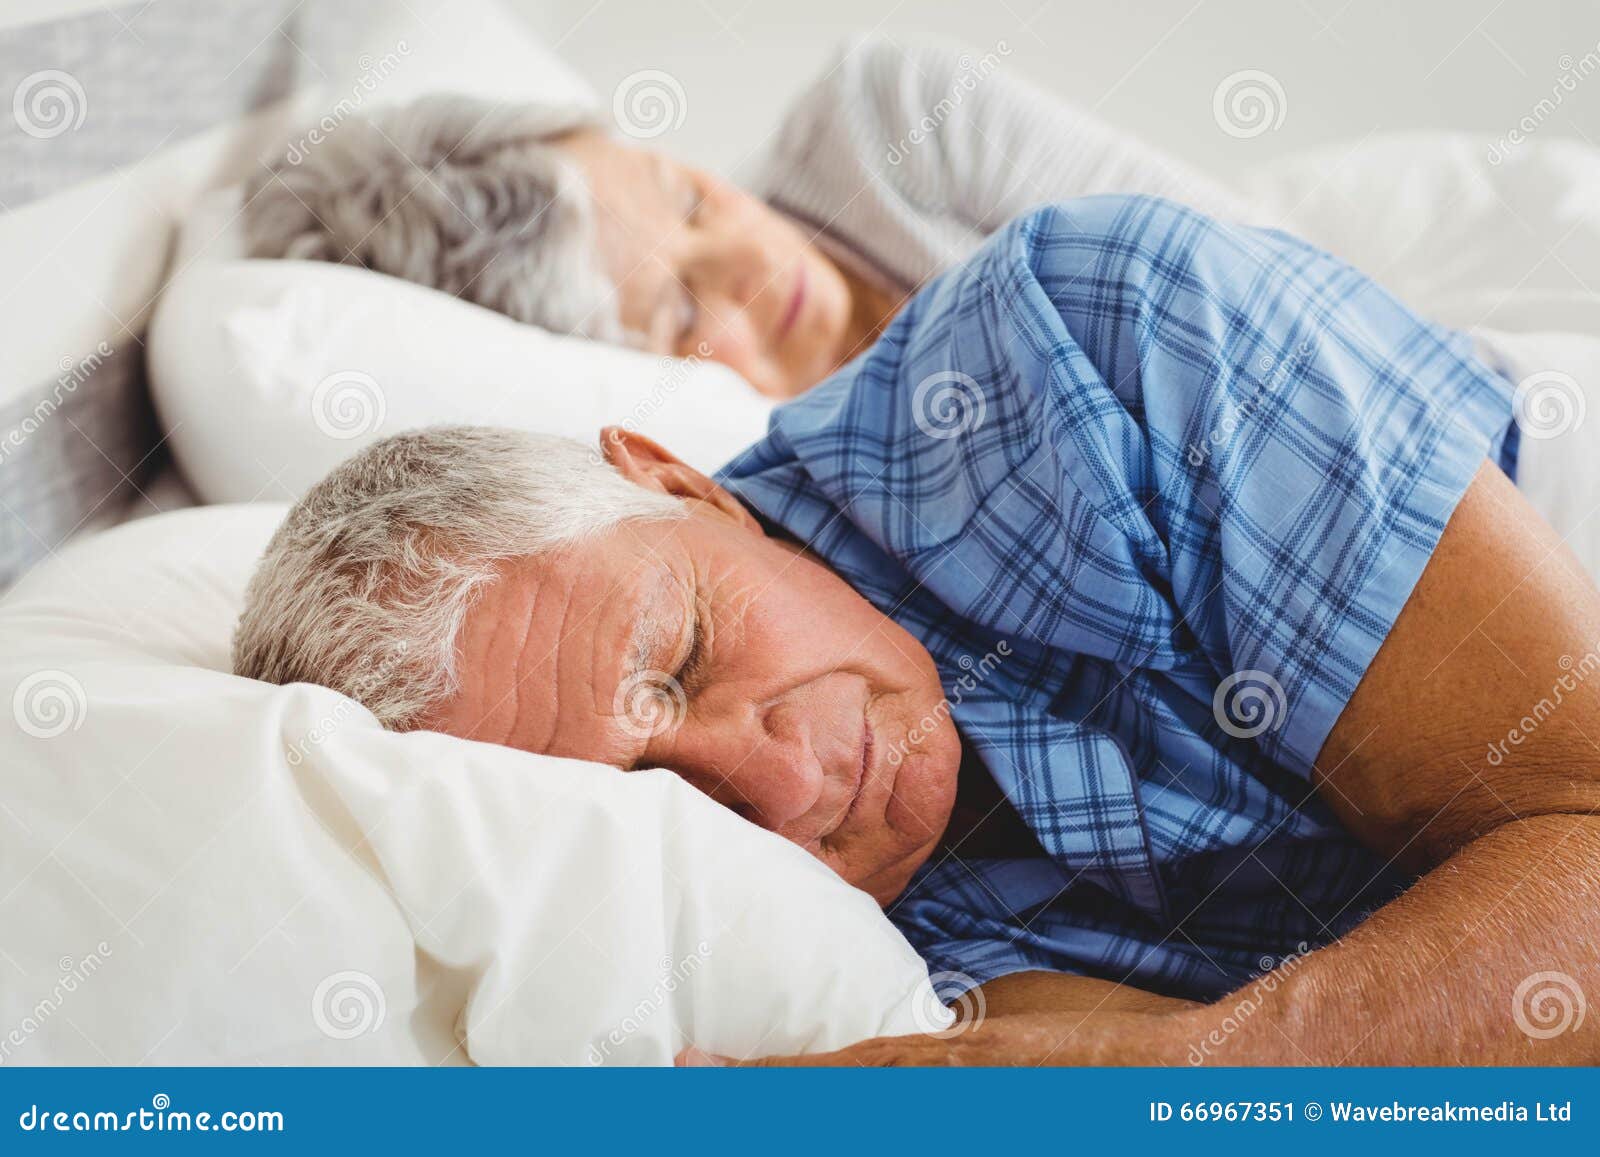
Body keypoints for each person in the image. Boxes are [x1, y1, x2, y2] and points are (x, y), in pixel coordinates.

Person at [234, 195, 1598, 1065]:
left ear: (679, 482)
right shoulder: (780, 948)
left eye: (688, 656)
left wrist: (1210, 1069)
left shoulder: (1086, 347)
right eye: (663, 804)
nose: (784, 786)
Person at [243, 36, 1249, 399]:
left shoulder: (890, 117)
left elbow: (1239, 284)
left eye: (685, 197)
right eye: (678, 308)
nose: (748, 258)